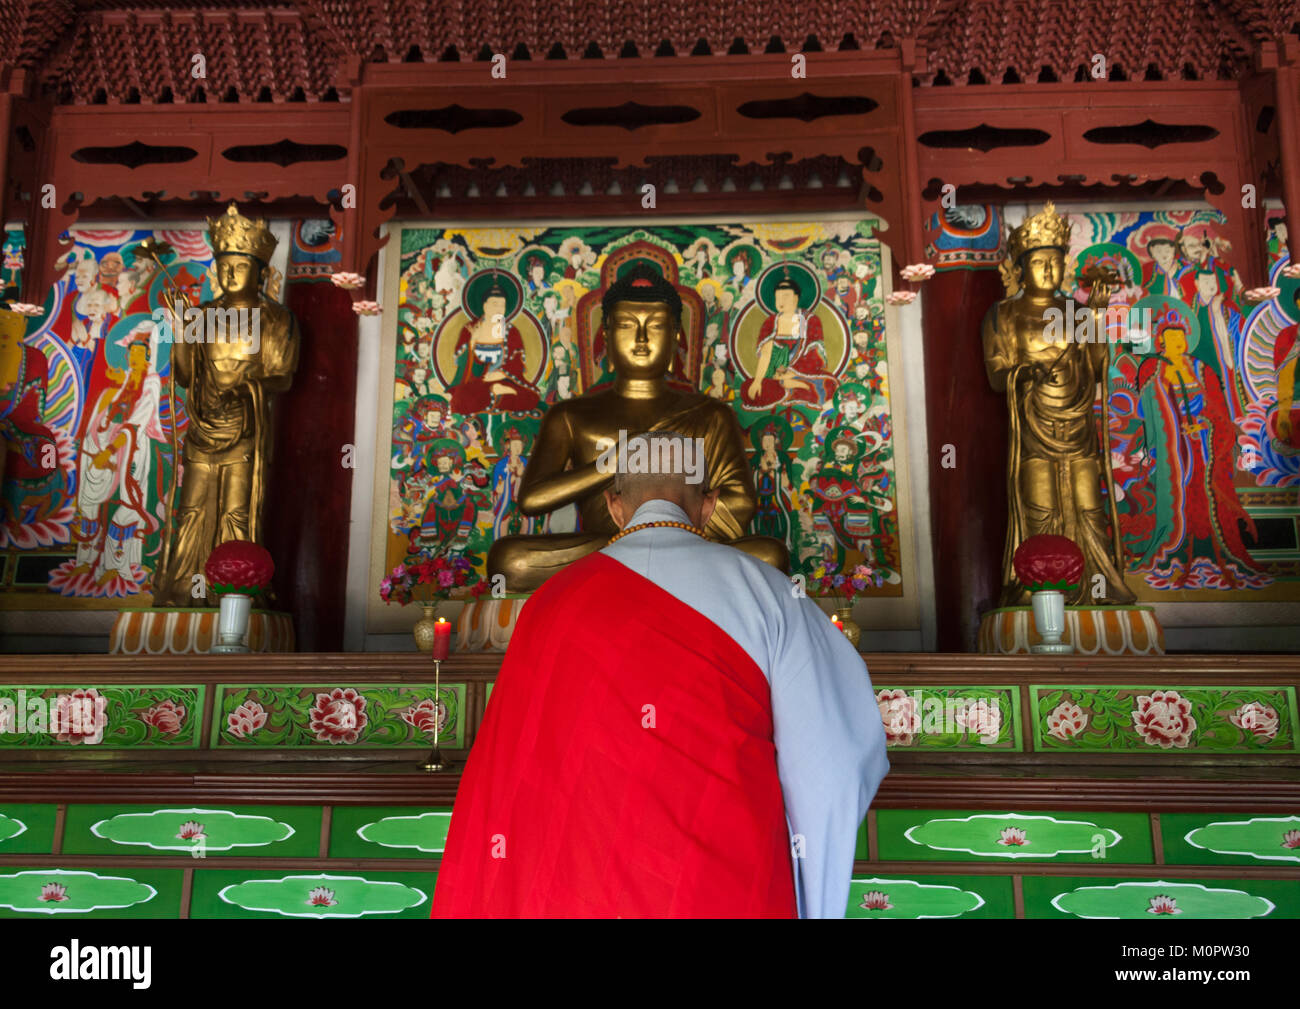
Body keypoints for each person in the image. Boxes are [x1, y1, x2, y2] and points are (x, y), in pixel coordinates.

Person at [433, 431, 888, 919]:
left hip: (582, 886)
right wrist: (812, 883)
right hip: (727, 887)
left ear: (613, 505)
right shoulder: (768, 590)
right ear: (710, 505)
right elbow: (835, 755)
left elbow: (507, 771)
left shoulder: (550, 603)